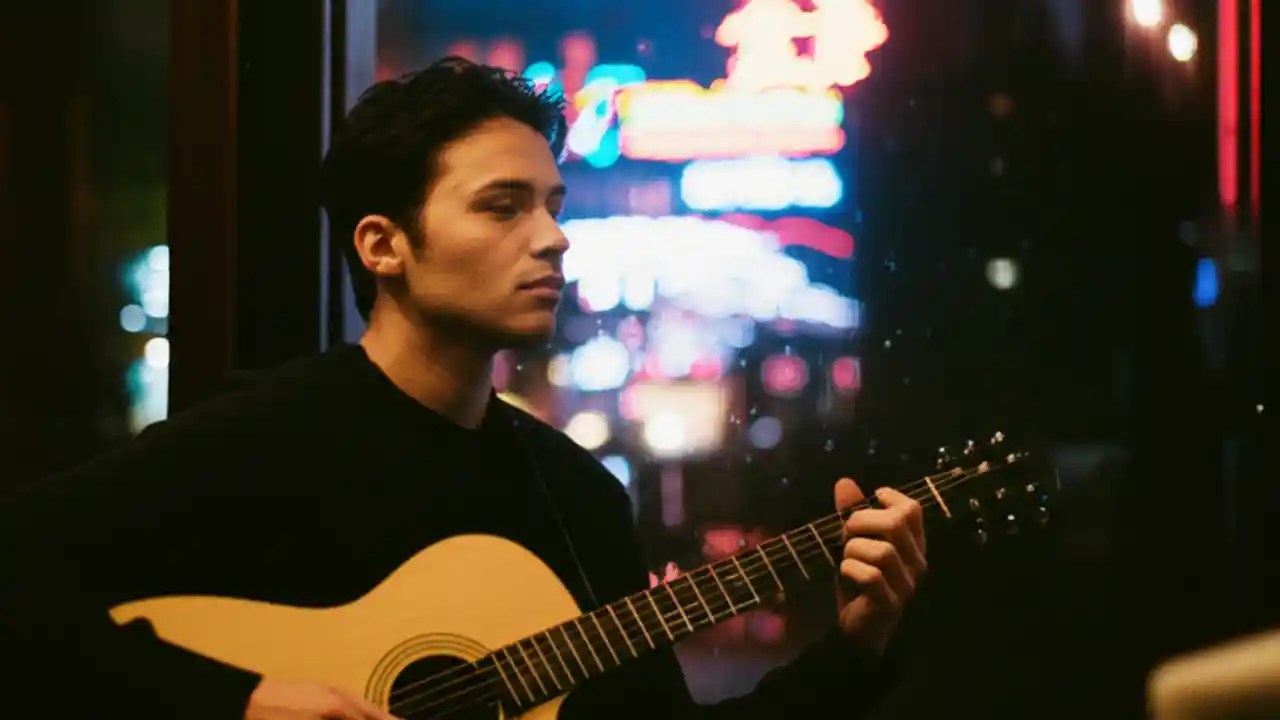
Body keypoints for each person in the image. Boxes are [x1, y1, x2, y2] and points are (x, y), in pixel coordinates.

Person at [0, 57, 926, 719]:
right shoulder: (266, 438)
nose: (554, 237)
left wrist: (853, 652)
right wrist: (244, 700)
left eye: (554, 206)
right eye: (503, 206)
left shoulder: (576, 499)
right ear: (382, 246)